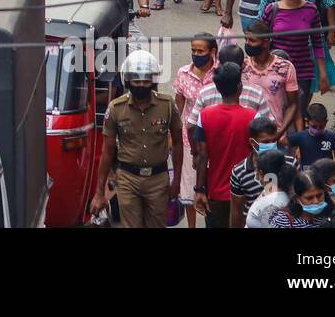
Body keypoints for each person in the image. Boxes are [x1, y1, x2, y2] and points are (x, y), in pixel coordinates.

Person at [91, 50, 182, 228]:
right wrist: (99, 192)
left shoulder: (168, 106)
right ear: (128, 81)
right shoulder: (116, 109)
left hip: (158, 180)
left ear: (153, 81)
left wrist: (177, 181)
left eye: (146, 81)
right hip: (127, 180)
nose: (141, 85)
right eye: (137, 81)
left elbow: (178, 144)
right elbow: (107, 152)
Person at [192, 63, 257, 229]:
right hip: (247, 192)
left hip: (216, 192)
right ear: (240, 87)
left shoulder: (205, 116)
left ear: (218, 88)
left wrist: (199, 189)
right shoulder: (253, 116)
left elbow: (202, 155)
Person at [262, 0, 330, 115]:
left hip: (302, 70)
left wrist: (323, 74)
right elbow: (261, 40)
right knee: (276, 112)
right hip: (276, 69)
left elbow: (318, 42)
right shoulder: (272, 9)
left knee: (298, 112)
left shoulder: (311, 9)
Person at [173, 33, 216, 228]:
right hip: (189, 139)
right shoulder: (183, 73)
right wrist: (172, 134)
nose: (196, 54)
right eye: (193, 50)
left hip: (215, 137)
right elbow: (179, 105)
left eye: (201, 51)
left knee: (212, 186)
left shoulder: (220, 73)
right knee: (190, 188)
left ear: (212, 52)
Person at [242, 21, 300, 140]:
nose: (247, 44)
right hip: (245, 133)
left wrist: (280, 131)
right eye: (246, 39)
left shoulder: (285, 67)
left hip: (274, 133)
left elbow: (293, 104)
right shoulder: (242, 65)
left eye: (252, 40)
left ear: (265, 42)